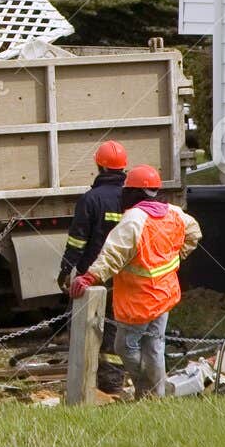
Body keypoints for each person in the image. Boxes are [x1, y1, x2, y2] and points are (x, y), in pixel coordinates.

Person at [69, 164, 202, 400]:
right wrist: (177, 255)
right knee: (154, 346)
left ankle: (147, 389)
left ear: (133, 192)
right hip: (164, 294)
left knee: (125, 347)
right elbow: (193, 233)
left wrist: (90, 276)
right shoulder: (174, 213)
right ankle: (156, 395)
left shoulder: (134, 219)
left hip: (139, 298)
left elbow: (113, 253)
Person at [57, 140, 130, 394]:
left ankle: (84, 381)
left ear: (99, 165)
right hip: (124, 276)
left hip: (92, 276)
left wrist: (66, 270)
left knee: (84, 326)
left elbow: (77, 241)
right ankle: (113, 382)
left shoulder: (90, 200)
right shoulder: (132, 198)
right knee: (115, 327)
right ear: (123, 167)